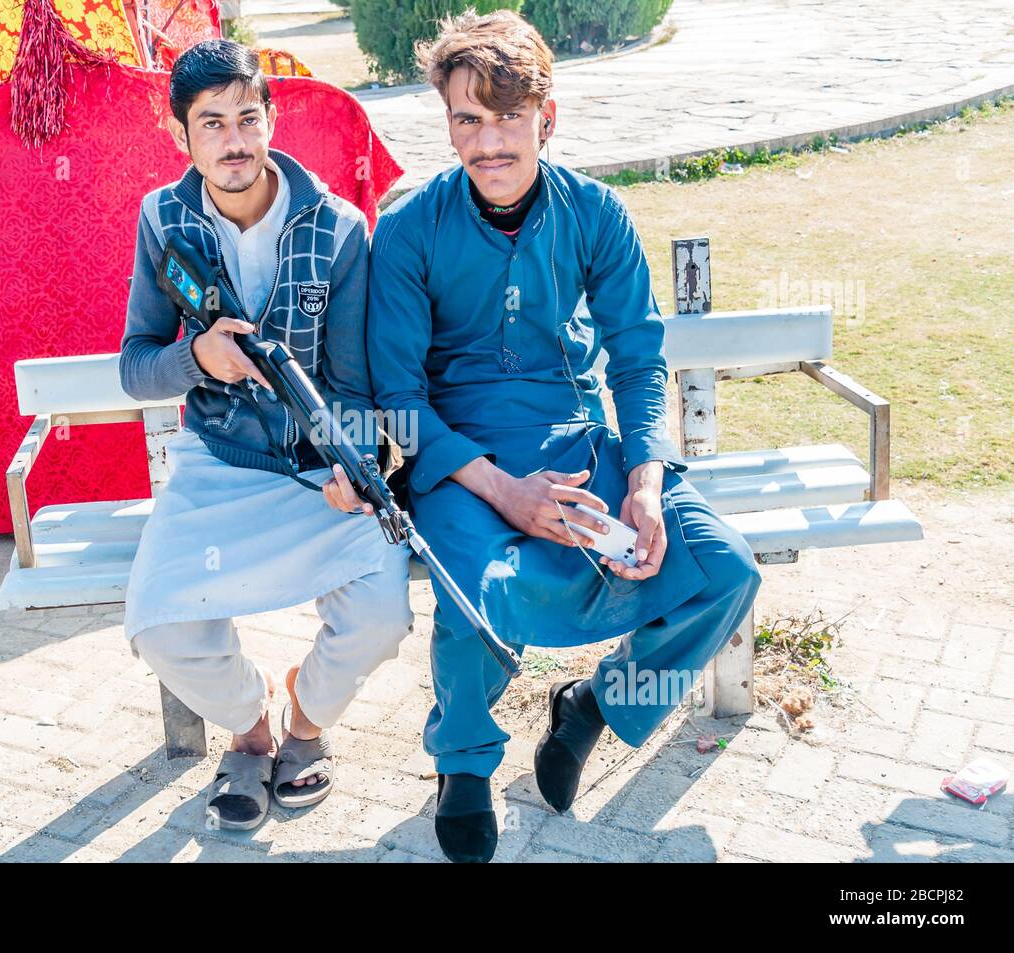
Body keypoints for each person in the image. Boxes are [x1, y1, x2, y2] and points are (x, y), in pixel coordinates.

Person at [367, 10, 761, 863]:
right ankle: (464, 764)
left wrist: (647, 480)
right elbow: (397, 400)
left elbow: (638, 359)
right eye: (466, 119)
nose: (488, 142)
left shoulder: (597, 214)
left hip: (580, 441)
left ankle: (595, 705)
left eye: (507, 117)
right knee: (473, 590)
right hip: (460, 462)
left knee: (725, 567)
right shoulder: (406, 231)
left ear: (548, 116)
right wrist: (506, 492)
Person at [120, 39, 413, 832]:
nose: (234, 140)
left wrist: (354, 461)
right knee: (156, 621)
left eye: (248, 118)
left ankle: (305, 721)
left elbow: (354, 384)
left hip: (315, 471)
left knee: (384, 610)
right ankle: (249, 730)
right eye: (211, 123)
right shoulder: (161, 219)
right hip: (215, 462)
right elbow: (136, 367)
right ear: (182, 133)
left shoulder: (341, 225)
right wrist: (197, 357)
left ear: (272, 119)